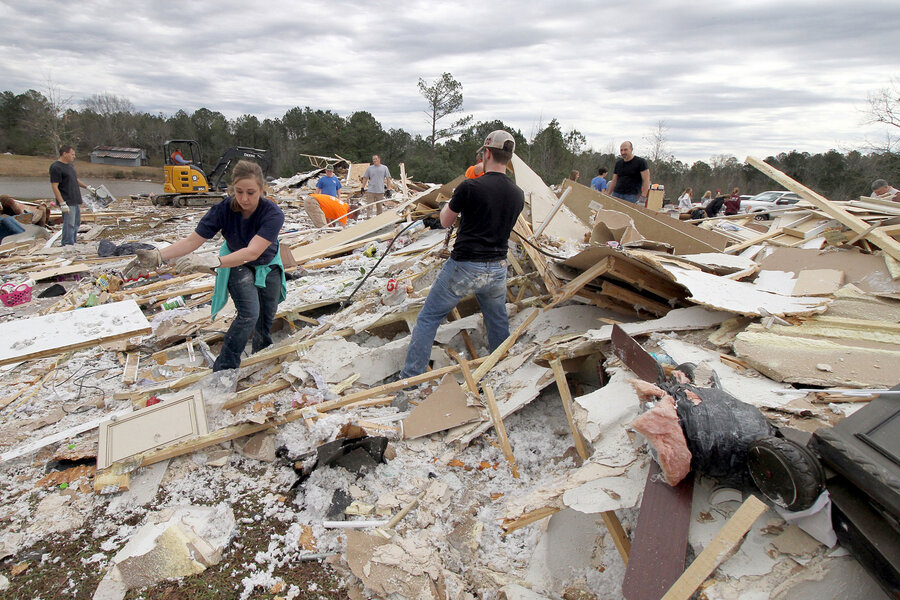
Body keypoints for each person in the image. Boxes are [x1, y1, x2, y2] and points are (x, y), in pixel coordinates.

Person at [123, 160, 286, 372]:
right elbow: (192, 242)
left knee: (266, 314)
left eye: (251, 193)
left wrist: (213, 262)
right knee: (249, 314)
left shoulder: (273, 214)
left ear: (262, 189)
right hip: (235, 262)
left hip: (267, 263)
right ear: (232, 189)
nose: (244, 198)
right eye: (239, 192)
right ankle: (225, 367)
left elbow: (253, 252)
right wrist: (158, 256)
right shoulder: (223, 210)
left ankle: (261, 354)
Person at [398, 130, 524, 379]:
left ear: (486, 154)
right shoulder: (517, 194)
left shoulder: (469, 187)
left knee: (428, 318)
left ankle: (411, 378)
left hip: (465, 266)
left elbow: (445, 221)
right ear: (509, 158)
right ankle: (501, 372)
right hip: (497, 267)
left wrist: (453, 201)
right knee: (497, 321)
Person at [50, 145, 93, 246]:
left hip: (75, 199)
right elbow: (54, 186)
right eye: (72, 154)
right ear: (65, 154)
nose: (74, 156)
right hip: (67, 200)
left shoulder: (70, 166)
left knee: (76, 223)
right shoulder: (56, 167)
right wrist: (62, 203)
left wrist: (87, 187)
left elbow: (75, 180)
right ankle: (67, 244)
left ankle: (73, 242)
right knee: (69, 224)